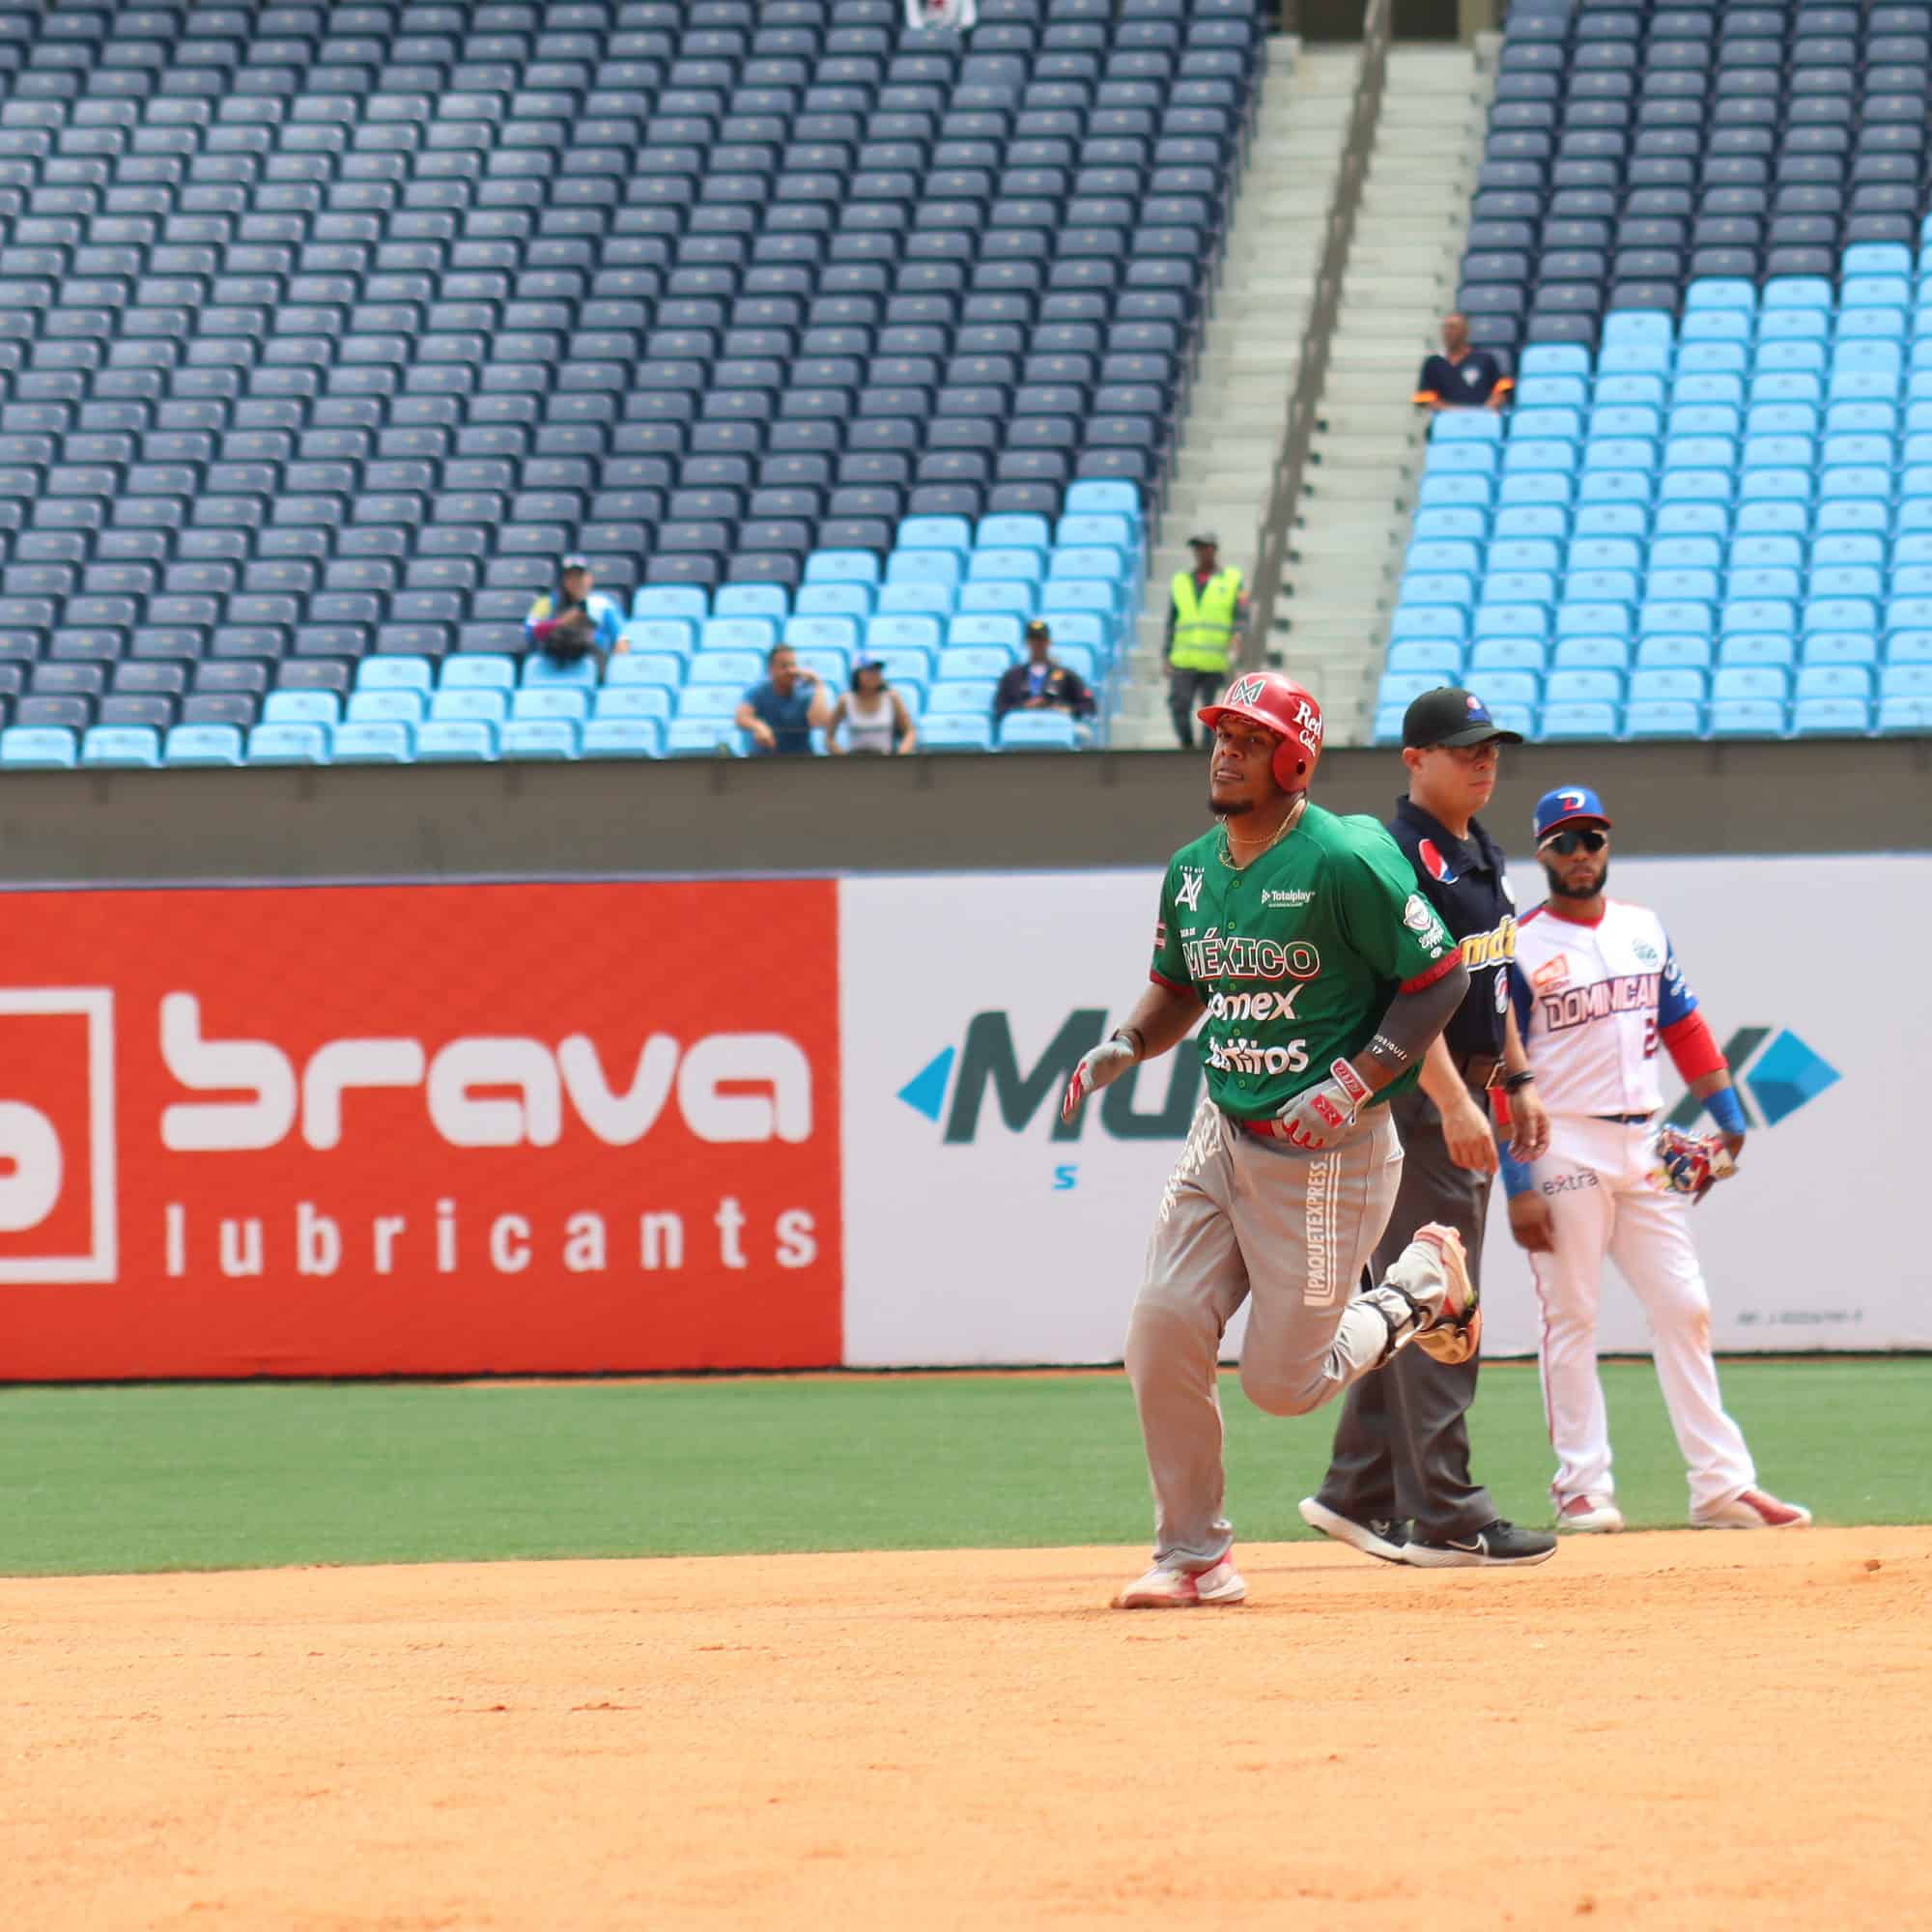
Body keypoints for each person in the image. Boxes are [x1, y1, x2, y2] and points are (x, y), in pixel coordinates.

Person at [1061, 669, 1486, 1610]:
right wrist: (1125, 1042)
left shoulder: (1342, 857)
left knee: (1282, 1385)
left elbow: (1438, 977)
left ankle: (1421, 1282)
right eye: (1219, 734)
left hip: (1325, 1152)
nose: (1224, 750)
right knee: (1159, 1328)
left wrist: (1354, 1076)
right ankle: (1193, 1553)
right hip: (1222, 1127)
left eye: (1248, 739)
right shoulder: (1191, 868)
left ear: (1293, 758)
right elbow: (1181, 984)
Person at [1501, 785, 1811, 1534]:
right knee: (1572, 1314)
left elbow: (1683, 1024)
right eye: (1566, 842)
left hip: (1642, 1141)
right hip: (1558, 1138)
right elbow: (1495, 1065)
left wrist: (1729, 1115)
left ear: (1608, 845)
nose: (1581, 854)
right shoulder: (1519, 942)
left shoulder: (1644, 928)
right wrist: (1517, 1182)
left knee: (1685, 1305)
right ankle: (1581, 1485)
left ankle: (1721, 1486)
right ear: (1542, 851)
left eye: (1593, 839)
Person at [1299, 687, 1557, 1570]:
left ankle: (1356, 1492)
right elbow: (1407, 999)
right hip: (1417, 1102)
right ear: (1414, 759)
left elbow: (1492, 976)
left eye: (1491, 747)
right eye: (1464, 748)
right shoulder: (1397, 856)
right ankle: (1446, 1511)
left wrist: (1516, 1077)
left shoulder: (1478, 849)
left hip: (1465, 1090)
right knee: (1445, 1301)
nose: (1484, 760)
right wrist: (1454, 1102)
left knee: (1412, 1298)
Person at [1165, 531, 1250, 751]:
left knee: (1211, 712)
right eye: (1197, 548)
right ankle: (1187, 746)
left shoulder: (1231, 580)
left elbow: (1240, 614)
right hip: (1184, 658)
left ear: (1213, 550)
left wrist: (1237, 635)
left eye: (1204, 548)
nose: (1200, 553)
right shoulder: (1181, 581)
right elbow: (1172, 620)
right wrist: (1166, 654)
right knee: (1179, 704)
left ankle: (1208, 750)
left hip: (1215, 659)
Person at [524, 555, 626, 668]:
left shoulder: (603, 604)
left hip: (592, 666)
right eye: (570, 577)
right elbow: (531, 631)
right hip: (552, 664)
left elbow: (621, 640)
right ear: (563, 581)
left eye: (580, 576)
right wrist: (561, 622)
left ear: (589, 578)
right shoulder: (545, 602)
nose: (576, 582)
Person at [992, 620, 1096, 730]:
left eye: (1041, 641)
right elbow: (999, 708)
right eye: (1033, 641)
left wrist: (1065, 710)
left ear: (1049, 642)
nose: (1037, 645)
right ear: (1027, 643)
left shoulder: (1066, 675)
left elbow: (1088, 706)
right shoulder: (1012, 677)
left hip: (1056, 730)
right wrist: (1024, 708)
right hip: (1021, 732)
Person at [735, 644, 834, 756]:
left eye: (793, 665)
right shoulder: (757, 690)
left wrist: (818, 684)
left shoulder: (806, 691)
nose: (791, 671)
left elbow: (819, 722)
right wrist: (758, 726)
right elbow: (741, 718)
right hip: (763, 760)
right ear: (771, 669)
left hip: (799, 760)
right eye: (784, 666)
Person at [1413, 313, 1513, 414]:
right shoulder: (1433, 363)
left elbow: (1503, 389)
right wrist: (1459, 413)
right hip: (1447, 421)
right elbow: (1426, 399)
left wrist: (1487, 409)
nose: (1448, 332)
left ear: (1466, 331)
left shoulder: (1484, 359)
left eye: (1454, 327)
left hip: (1481, 419)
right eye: (1445, 327)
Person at [829, 657, 916, 756]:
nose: (874, 675)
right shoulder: (845, 700)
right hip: (855, 760)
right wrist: (843, 758)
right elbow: (829, 737)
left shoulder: (892, 698)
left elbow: (909, 731)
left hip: (885, 759)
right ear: (857, 675)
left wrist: (901, 755)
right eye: (869, 671)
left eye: (877, 671)